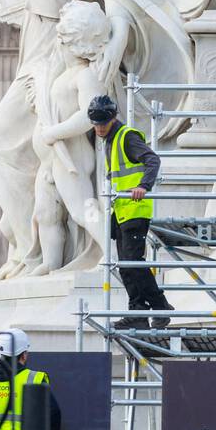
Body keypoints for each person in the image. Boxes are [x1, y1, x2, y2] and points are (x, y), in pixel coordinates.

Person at [87, 94, 173, 331]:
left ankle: (160, 305)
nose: (99, 129)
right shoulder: (109, 141)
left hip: (135, 210)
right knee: (127, 266)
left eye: (103, 124)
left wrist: (143, 186)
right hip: (122, 212)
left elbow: (152, 160)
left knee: (133, 263)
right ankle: (137, 313)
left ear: (113, 119)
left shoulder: (126, 137)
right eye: (96, 125)